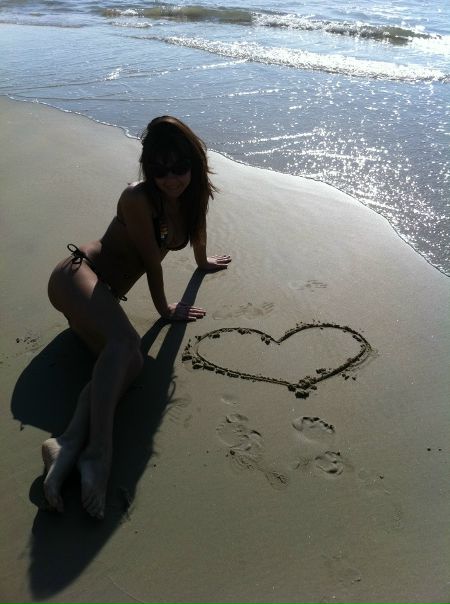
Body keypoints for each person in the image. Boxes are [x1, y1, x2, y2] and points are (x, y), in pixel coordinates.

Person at [43, 116, 231, 519]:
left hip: (101, 301)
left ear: (193, 163)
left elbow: (197, 229)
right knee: (127, 344)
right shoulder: (137, 198)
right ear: (148, 168)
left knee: (128, 362)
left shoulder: (194, 195)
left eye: (179, 167)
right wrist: (165, 310)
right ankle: (98, 454)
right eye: (159, 169)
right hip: (78, 277)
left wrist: (202, 262)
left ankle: (66, 442)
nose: (171, 178)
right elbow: (151, 262)